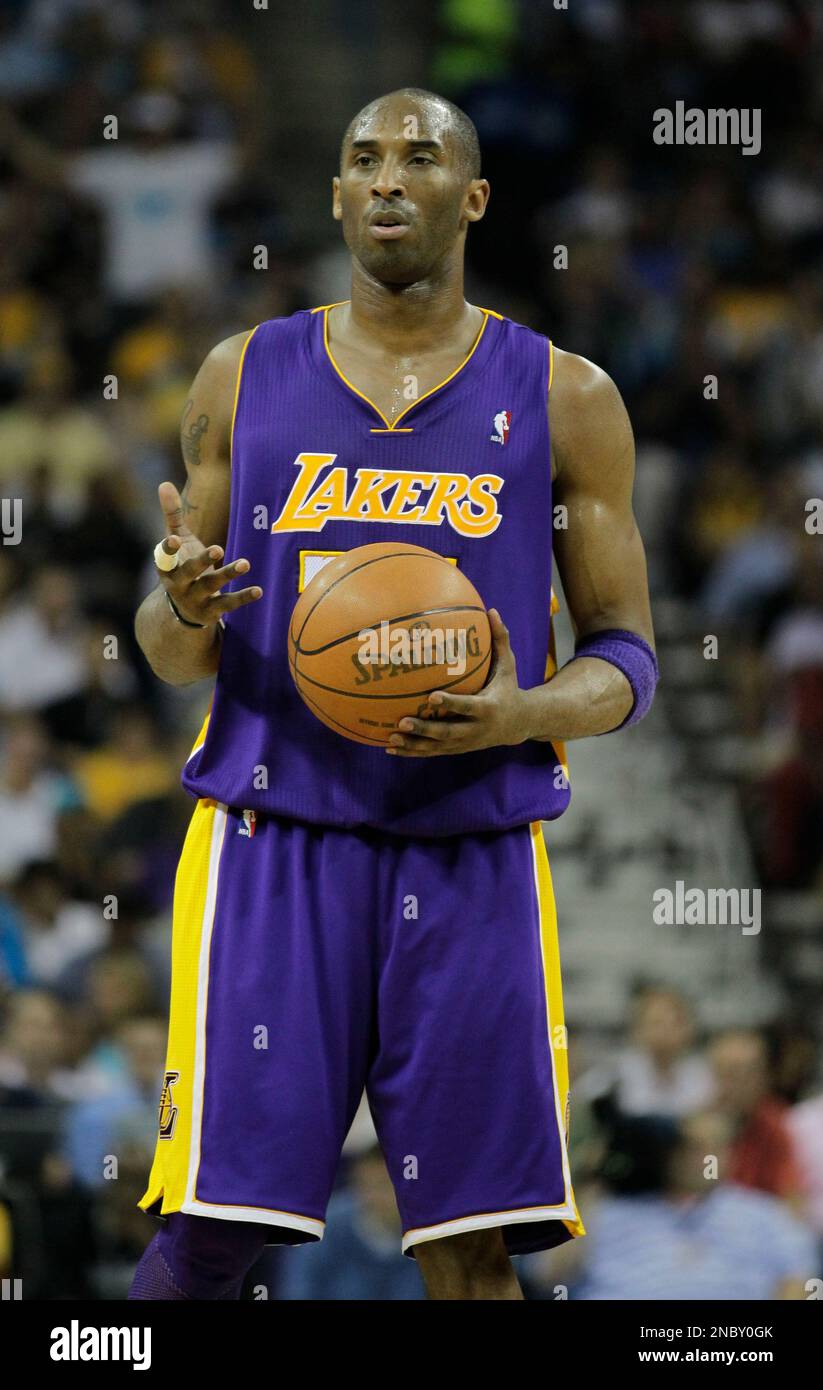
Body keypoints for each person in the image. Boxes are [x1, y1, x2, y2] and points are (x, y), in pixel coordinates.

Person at [129, 87, 657, 1302]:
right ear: (333, 194)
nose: (384, 178)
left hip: (468, 844)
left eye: (418, 158)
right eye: (361, 157)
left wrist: (520, 713)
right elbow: (167, 647)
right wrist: (186, 606)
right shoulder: (240, 374)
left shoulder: (566, 395)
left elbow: (627, 658)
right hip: (273, 841)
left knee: (470, 1246)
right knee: (216, 1226)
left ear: (470, 198)